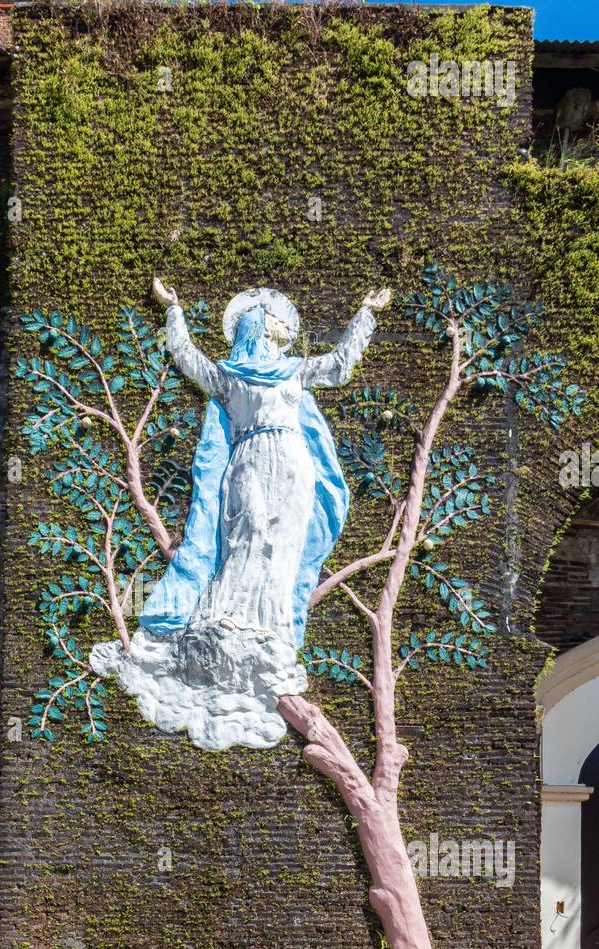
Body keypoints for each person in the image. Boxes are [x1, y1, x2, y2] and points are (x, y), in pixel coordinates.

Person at [90, 278, 391, 750]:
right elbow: (187, 357)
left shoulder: (294, 370)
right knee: (246, 535)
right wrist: (173, 310)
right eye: (273, 319)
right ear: (257, 324)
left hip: (293, 469)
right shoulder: (229, 375)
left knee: (281, 550)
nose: (280, 328)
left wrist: (365, 315)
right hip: (249, 461)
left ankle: (269, 630)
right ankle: (226, 620)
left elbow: (339, 366)